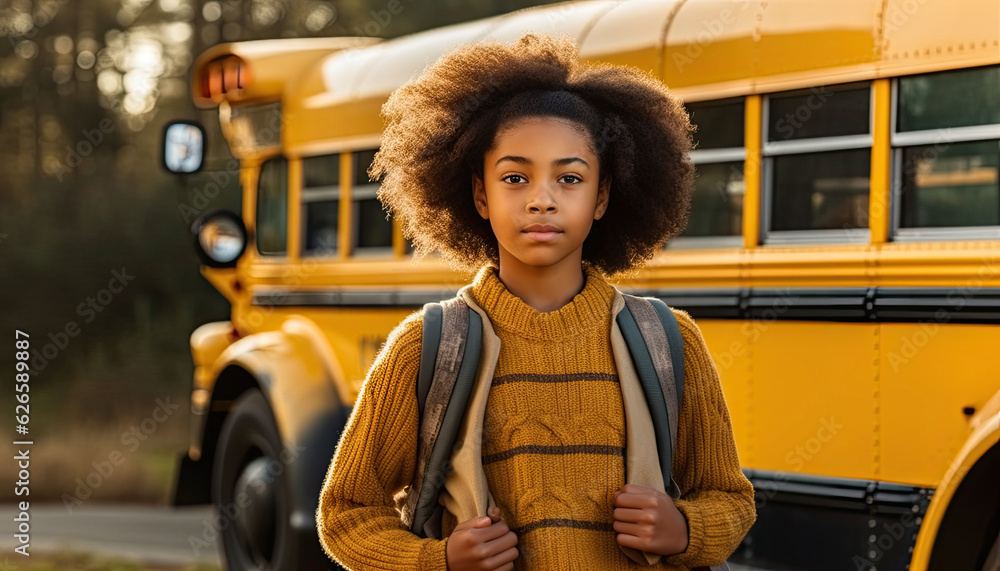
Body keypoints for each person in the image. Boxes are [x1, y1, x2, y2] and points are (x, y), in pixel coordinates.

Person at [316, 31, 756, 570]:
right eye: (515, 177)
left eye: (569, 178)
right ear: (480, 194)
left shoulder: (668, 340)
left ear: (603, 196)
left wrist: (685, 529)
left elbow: (729, 498)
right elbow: (346, 512)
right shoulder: (425, 348)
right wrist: (439, 560)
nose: (541, 199)